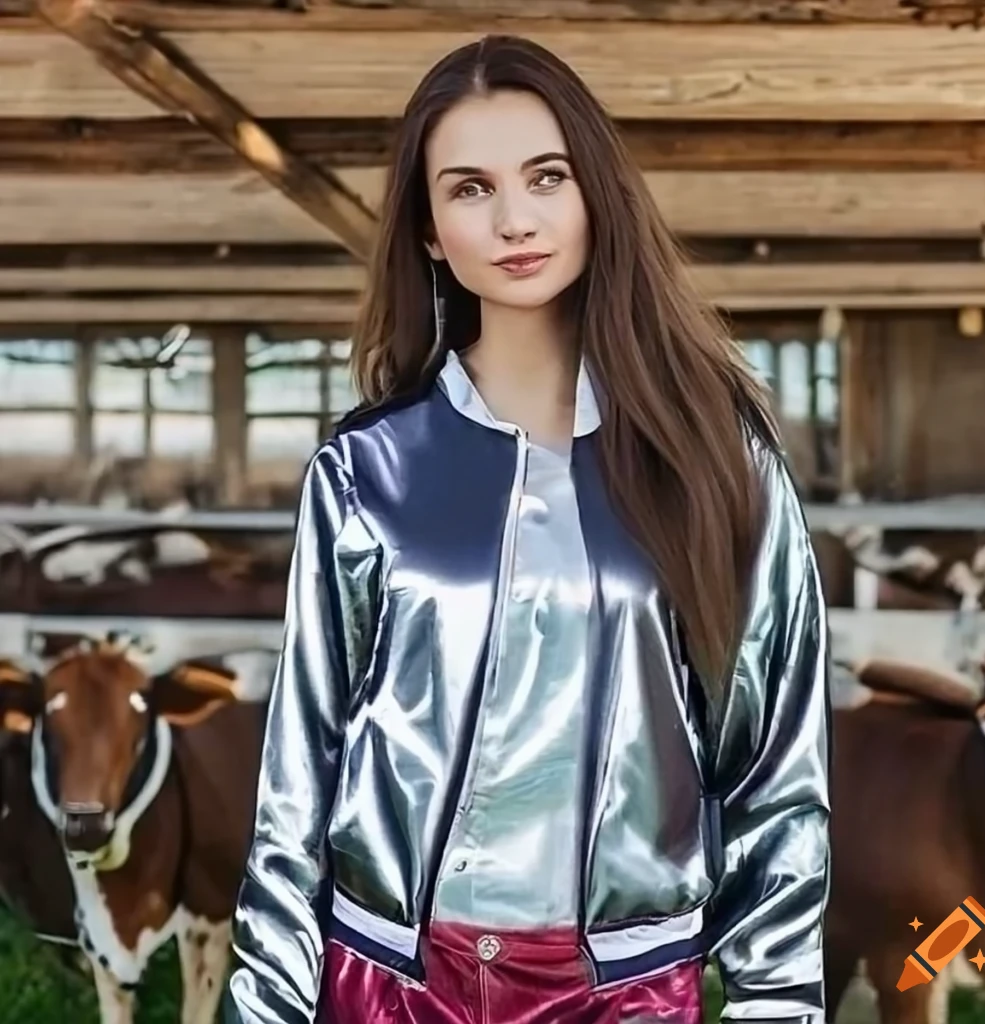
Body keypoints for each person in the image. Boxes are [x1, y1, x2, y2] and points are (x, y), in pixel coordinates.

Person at [225, 33, 830, 1024]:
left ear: (593, 192)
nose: (514, 218)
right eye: (468, 189)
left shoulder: (718, 464)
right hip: (388, 979)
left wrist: (775, 1003)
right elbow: (299, 778)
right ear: (427, 229)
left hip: (628, 985)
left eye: (544, 176)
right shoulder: (366, 472)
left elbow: (774, 771)